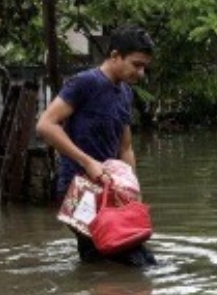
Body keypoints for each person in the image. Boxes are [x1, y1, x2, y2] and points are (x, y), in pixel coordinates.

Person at [36, 25, 156, 267]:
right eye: (136, 65)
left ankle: (91, 288)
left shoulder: (125, 93)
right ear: (115, 55)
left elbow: (125, 148)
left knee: (116, 258)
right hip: (78, 190)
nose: (141, 73)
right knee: (130, 261)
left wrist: (133, 191)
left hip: (107, 191)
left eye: (144, 67)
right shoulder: (85, 83)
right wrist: (88, 162)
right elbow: (45, 125)